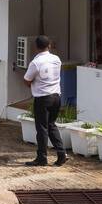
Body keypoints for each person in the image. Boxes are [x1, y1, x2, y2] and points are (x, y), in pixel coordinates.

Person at [22, 35, 66, 166]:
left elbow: (27, 79)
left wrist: (34, 84)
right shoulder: (56, 59)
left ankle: (42, 157)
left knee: (42, 128)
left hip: (43, 98)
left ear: (36, 47)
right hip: (56, 97)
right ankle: (62, 154)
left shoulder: (35, 62)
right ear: (50, 46)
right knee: (51, 125)